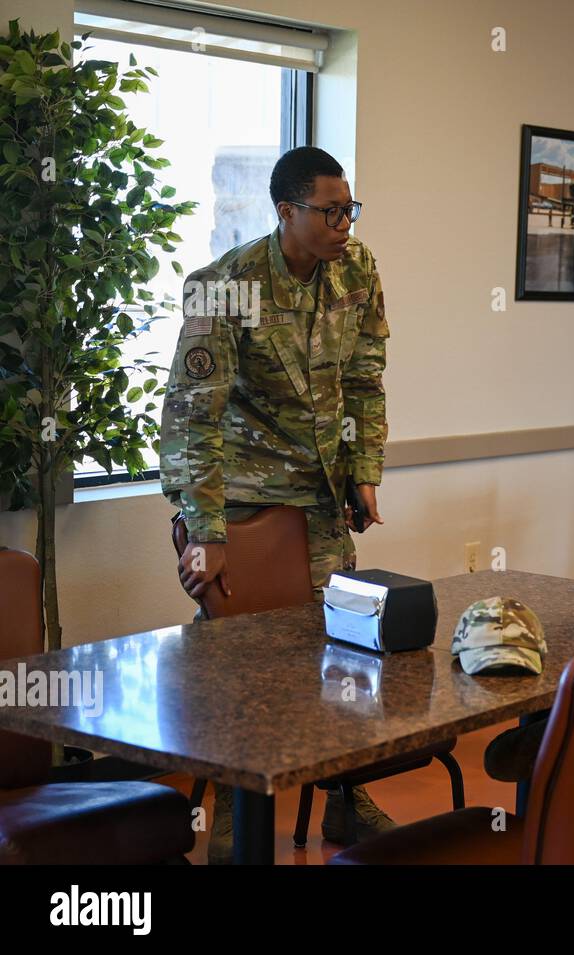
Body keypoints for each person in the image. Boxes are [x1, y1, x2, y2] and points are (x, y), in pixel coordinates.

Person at [160, 146, 394, 863]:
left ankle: (345, 798)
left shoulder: (357, 268)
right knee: (244, 663)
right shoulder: (224, 286)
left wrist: (363, 469)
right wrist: (205, 530)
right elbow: (193, 418)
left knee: (347, 647)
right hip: (246, 503)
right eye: (329, 210)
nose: (344, 222)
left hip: (322, 496)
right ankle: (236, 810)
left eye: (349, 208)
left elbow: (365, 377)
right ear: (286, 211)